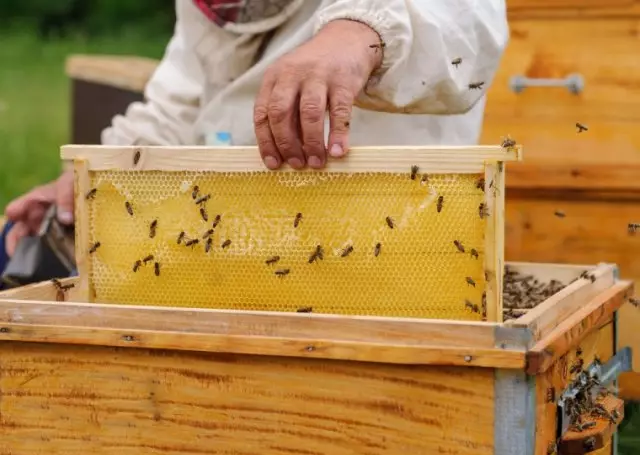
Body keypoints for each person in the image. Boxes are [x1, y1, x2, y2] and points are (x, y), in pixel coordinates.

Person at [3, 0, 509, 262]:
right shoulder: (213, 11)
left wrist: (361, 32)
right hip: (228, 257)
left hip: (384, 248)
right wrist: (98, 176)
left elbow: (469, 21)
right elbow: (182, 96)